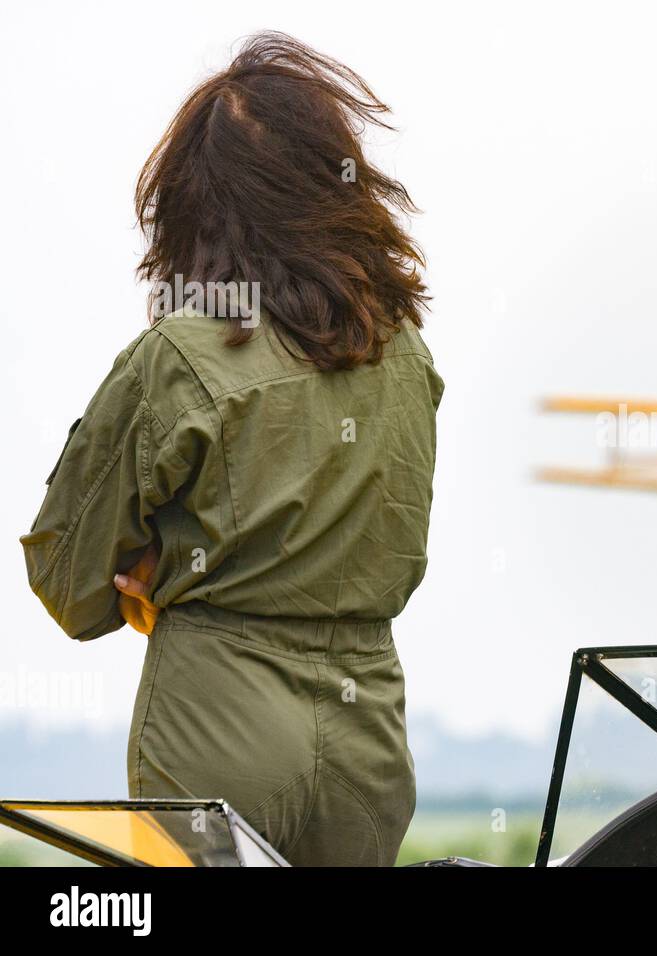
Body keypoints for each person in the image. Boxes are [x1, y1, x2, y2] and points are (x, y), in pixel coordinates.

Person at [19, 32, 443, 866]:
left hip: (218, 721)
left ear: (196, 204)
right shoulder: (408, 355)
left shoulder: (181, 354)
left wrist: (161, 574)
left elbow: (66, 581)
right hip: (371, 739)